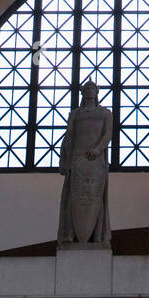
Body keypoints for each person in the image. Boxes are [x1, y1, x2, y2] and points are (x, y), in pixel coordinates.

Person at [57, 80, 112, 247]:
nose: (89, 91)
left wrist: (97, 149)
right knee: (74, 199)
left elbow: (107, 134)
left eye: (92, 88)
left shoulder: (105, 113)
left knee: (95, 199)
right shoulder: (75, 114)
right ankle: (69, 235)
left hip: (95, 162)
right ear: (82, 92)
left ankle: (98, 236)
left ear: (97, 92)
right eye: (86, 88)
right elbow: (69, 137)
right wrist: (64, 160)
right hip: (78, 160)